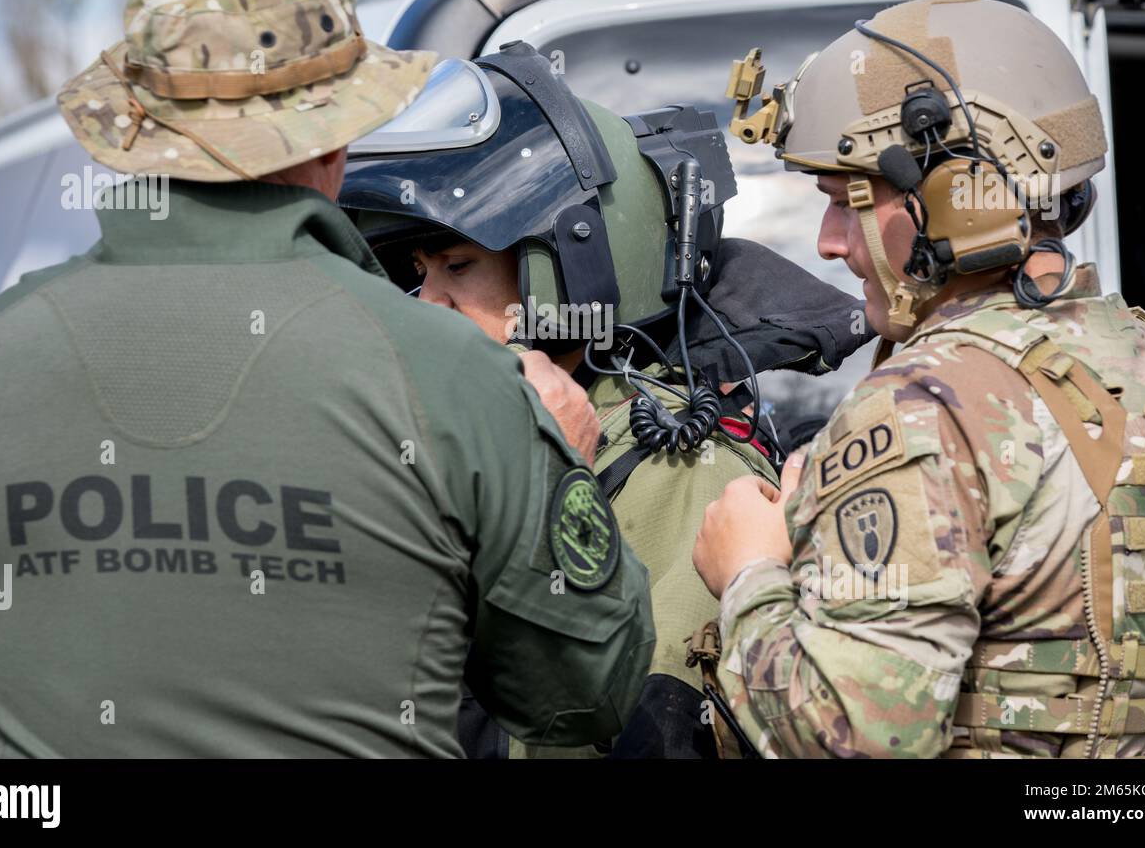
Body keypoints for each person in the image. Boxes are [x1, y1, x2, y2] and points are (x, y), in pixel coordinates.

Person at [0, 0, 653, 758]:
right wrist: (561, 463)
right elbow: (587, 694)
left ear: (137, 134)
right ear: (336, 142)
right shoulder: (453, 378)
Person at [694, 0, 1145, 758]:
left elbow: (859, 738)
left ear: (956, 203)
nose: (829, 243)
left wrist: (750, 569)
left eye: (847, 202)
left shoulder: (924, 402)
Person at [345, 42, 869, 756]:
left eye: (460, 267)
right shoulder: (464, 442)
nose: (428, 302)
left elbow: (642, 731)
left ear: (574, 266)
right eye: (418, 272)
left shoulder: (679, 467)